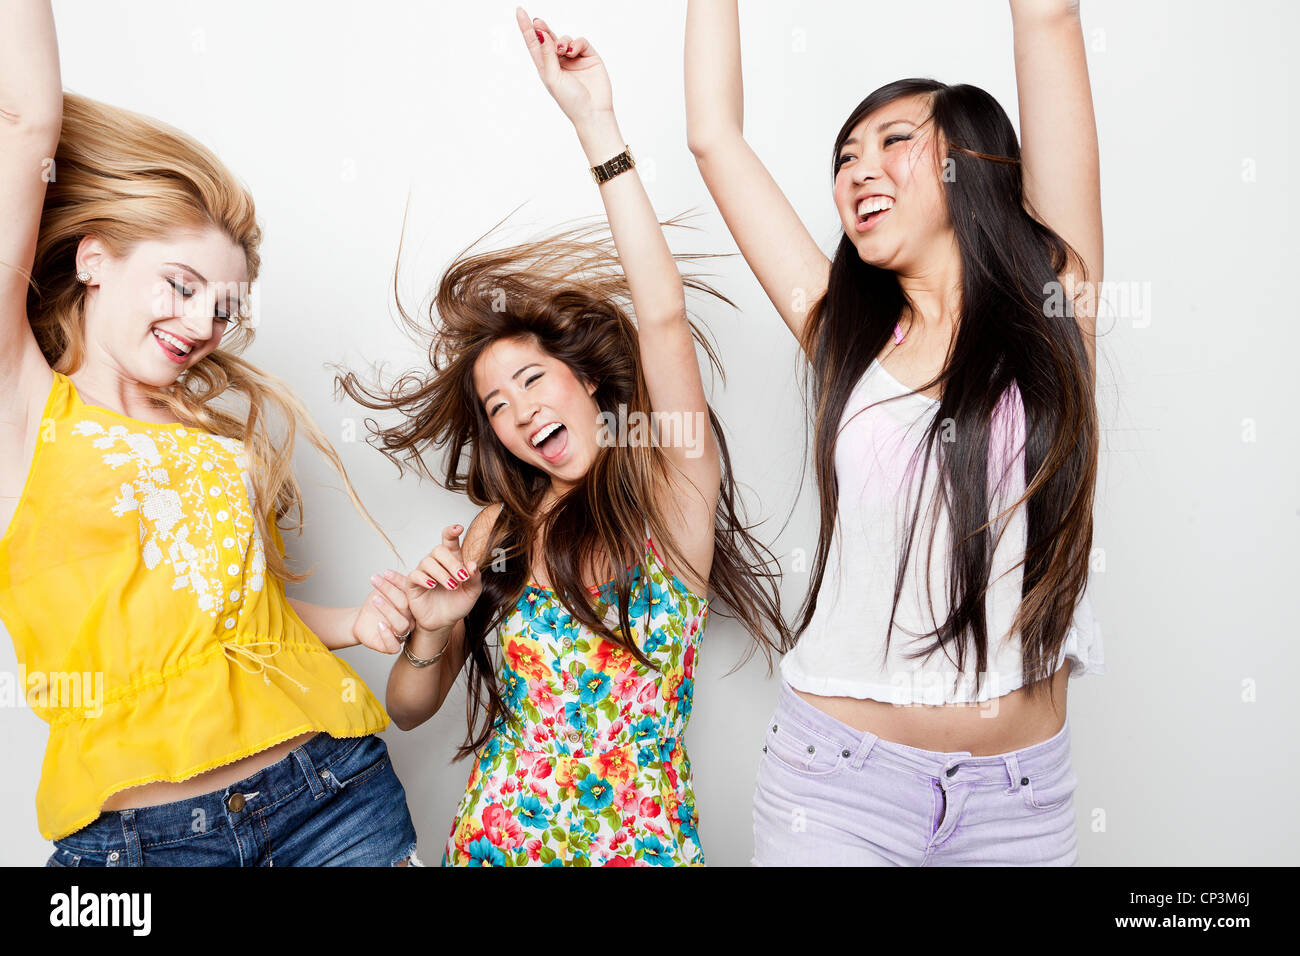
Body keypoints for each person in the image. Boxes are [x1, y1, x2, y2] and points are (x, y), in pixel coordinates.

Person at [336, 8, 790, 866]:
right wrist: (434, 630)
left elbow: (662, 315)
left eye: (532, 380)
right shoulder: (493, 531)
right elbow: (406, 708)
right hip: (494, 846)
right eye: (497, 407)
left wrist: (597, 127)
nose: (519, 411)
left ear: (587, 381)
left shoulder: (671, 492)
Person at [0, 0, 419, 866]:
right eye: (181, 284)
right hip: (139, 844)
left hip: (331, 796)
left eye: (225, 307)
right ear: (92, 259)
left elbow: (229, 619)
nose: (203, 322)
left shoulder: (207, 435)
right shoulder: (22, 403)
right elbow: (26, 117)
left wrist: (359, 624)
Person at [685, 0, 1105, 865]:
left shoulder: (1058, 309)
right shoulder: (843, 336)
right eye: (844, 157)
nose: (858, 170)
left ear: (968, 164)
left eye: (892, 142)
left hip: (1018, 807)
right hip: (838, 791)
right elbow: (713, 138)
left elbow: (1051, 22)